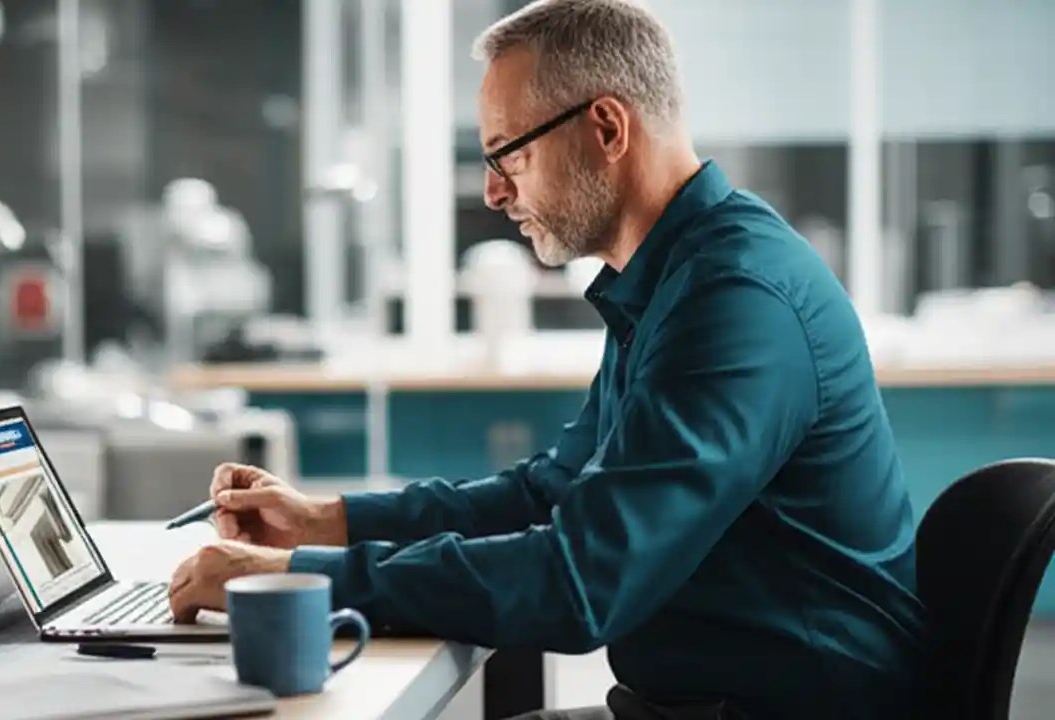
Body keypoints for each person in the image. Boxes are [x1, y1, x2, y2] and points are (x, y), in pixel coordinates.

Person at [168, 1, 926, 717]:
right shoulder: (671, 278)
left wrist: (295, 580)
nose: (495, 193)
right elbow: (553, 494)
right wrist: (324, 522)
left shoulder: (735, 299)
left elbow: (582, 581)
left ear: (605, 127)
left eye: (509, 154)